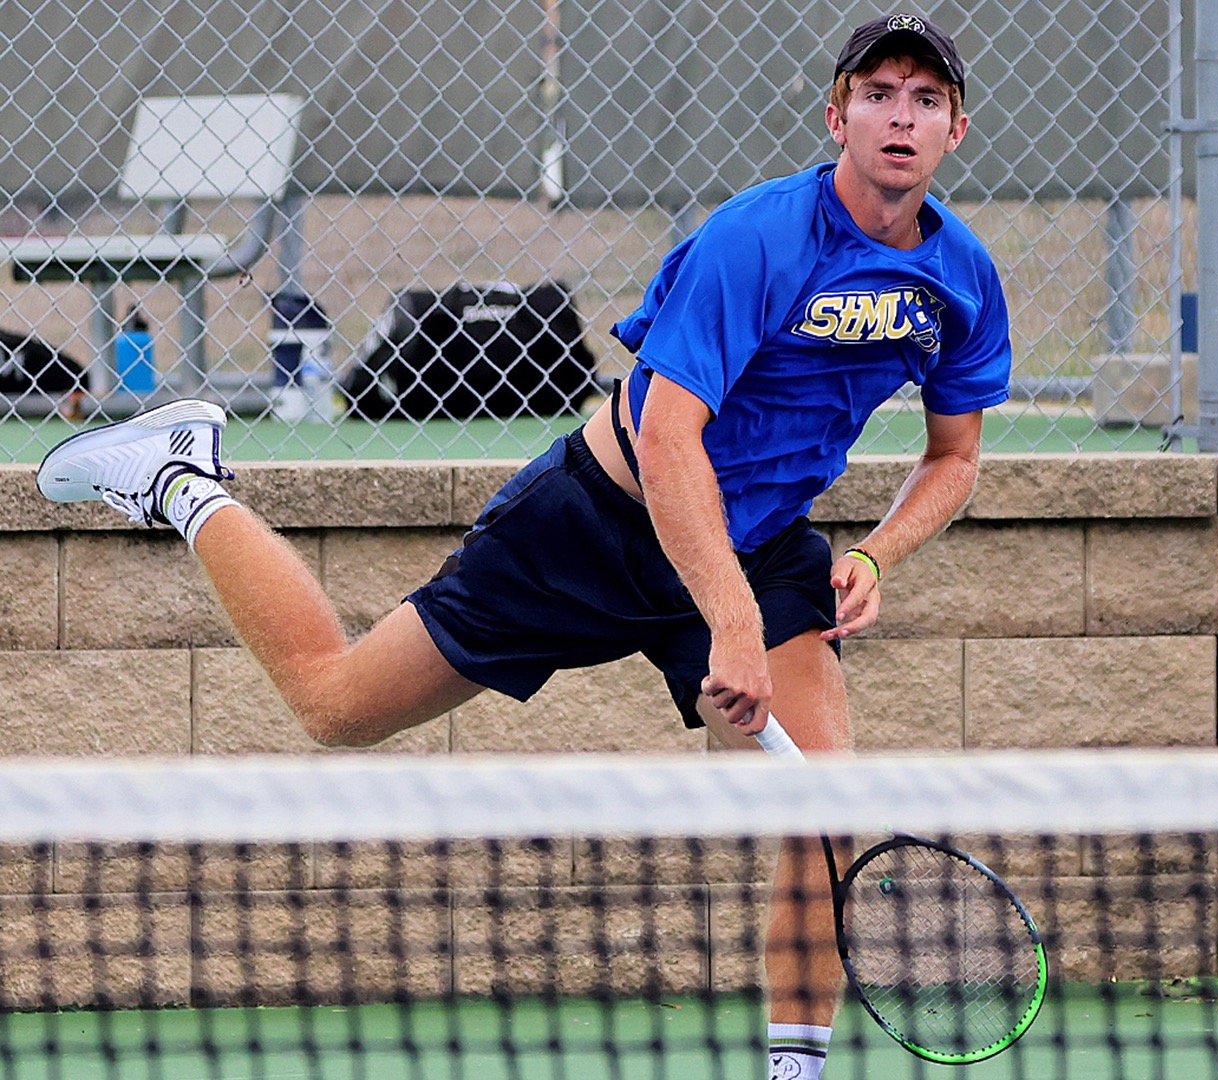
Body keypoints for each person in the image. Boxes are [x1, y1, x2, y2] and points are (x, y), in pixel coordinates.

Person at [35, 14, 1008, 1080]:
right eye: (878, 94)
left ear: (955, 130)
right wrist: (726, 616)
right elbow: (670, 432)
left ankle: (796, 1070)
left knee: (824, 809)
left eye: (924, 99)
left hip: (765, 544)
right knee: (337, 703)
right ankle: (182, 475)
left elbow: (952, 456)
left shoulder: (960, 278)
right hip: (596, 522)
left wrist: (872, 557)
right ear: (839, 116)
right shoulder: (760, 239)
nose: (899, 116)